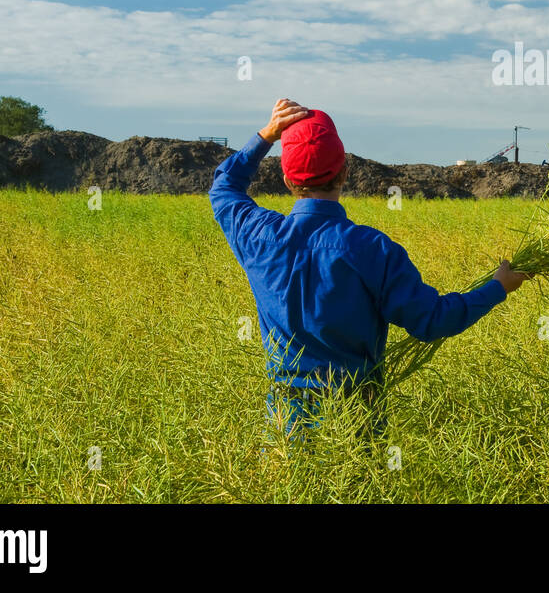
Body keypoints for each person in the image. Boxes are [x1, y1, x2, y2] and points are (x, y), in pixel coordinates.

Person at [210, 98, 529, 439]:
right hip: (356, 423)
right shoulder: (372, 250)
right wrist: (496, 288)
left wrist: (266, 135)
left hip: (284, 426)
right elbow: (434, 321)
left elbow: (224, 187)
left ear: (287, 179)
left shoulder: (258, 237)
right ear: (344, 173)